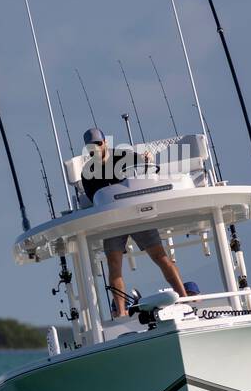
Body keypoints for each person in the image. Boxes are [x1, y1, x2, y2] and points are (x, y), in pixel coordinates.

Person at [80, 128, 188, 317]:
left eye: (98, 143)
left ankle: (185, 298)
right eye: (91, 146)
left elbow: (144, 163)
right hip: (113, 220)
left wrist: (146, 158)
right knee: (114, 264)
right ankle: (121, 312)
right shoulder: (87, 171)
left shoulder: (122, 156)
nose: (95, 148)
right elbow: (95, 198)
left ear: (105, 142)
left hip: (136, 214)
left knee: (160, 257)